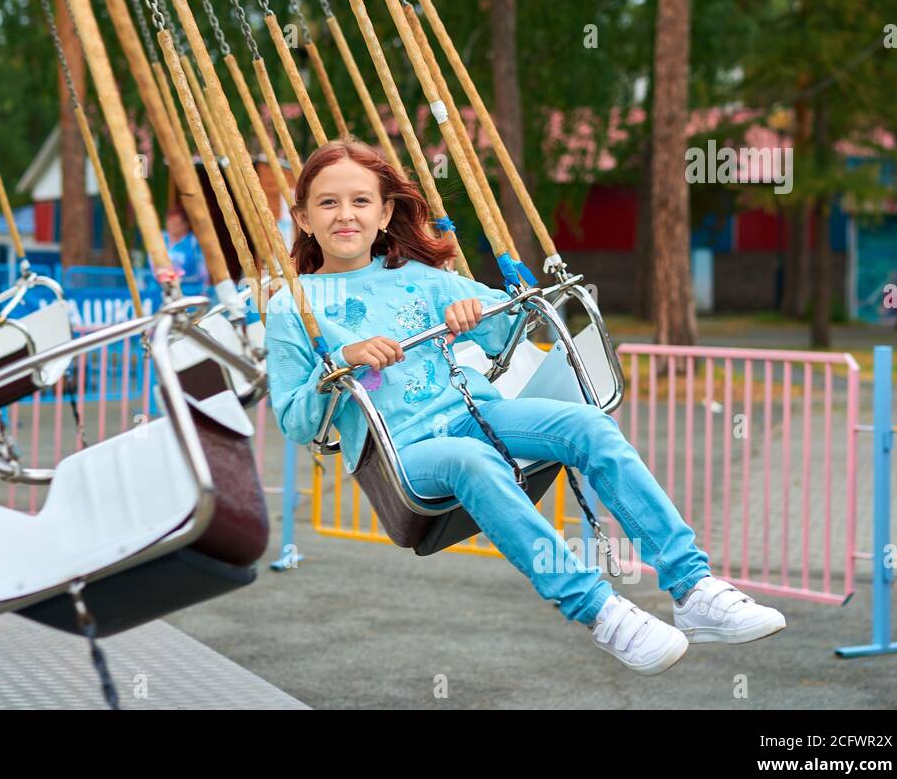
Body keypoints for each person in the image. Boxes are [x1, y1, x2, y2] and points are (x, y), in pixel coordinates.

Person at [265, 139, 786, 676]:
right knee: (472, 460)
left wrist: (478, 308)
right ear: (302, 217)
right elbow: (295, 420)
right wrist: (340, 365)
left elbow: (508, 329)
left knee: (587, 425)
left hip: (475, 414)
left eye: (360, 201)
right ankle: (601, 611)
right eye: (328, 203)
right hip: (403, 456)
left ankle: (692, 586)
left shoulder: (418, 278)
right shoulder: (293, 306)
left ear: (385, 211)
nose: (345, 215)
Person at [162, 202, 209, 288]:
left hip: (190, 291)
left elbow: (203, 273)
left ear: (185, 225)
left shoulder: (194, 243)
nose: (171, 227)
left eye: (176, 224)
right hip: (160, 290)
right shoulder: (161, 239)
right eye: (170, 223)